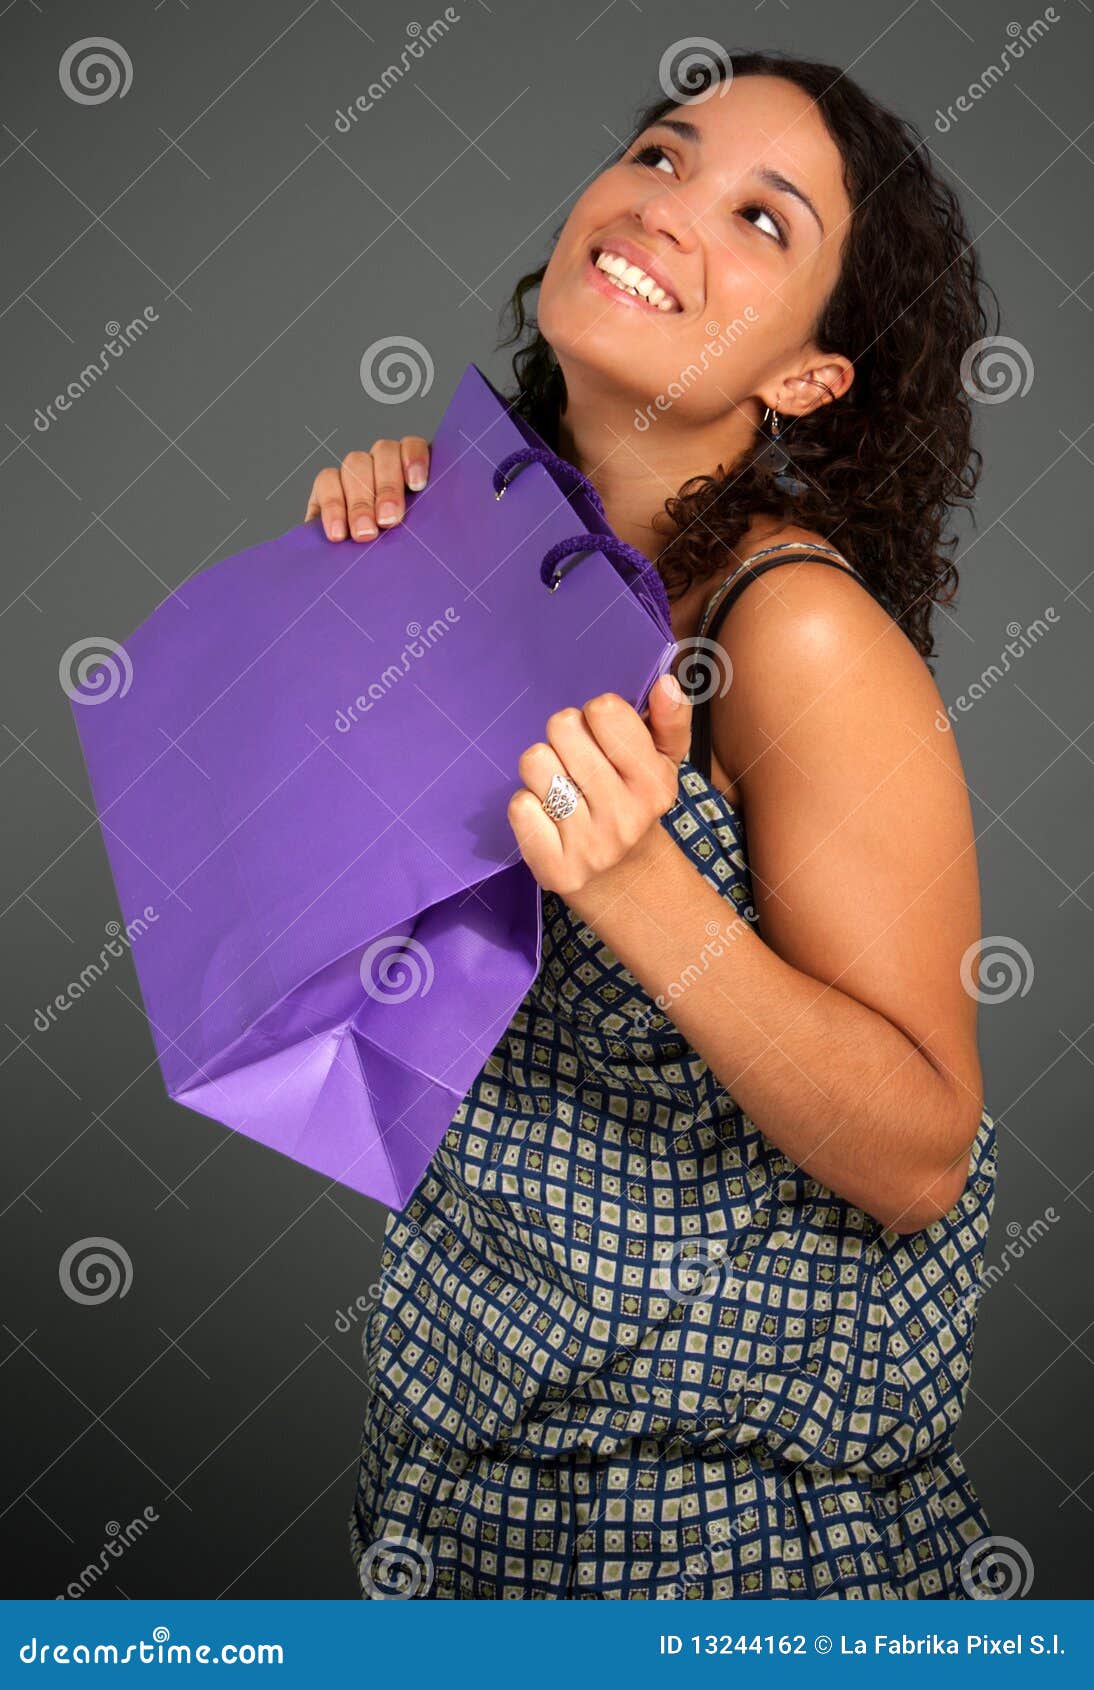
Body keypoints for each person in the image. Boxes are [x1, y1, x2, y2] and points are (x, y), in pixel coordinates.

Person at [309, 50, 1000, 1600]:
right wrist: (345, 608)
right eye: (662, 154)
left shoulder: (799, 638)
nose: (666, 206)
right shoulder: (473, 565)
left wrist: (640, 885)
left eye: (764, 220)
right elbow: (349, 987)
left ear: (808, 376)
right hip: (448, 1497)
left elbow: (917, 1154)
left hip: (729, 1545)